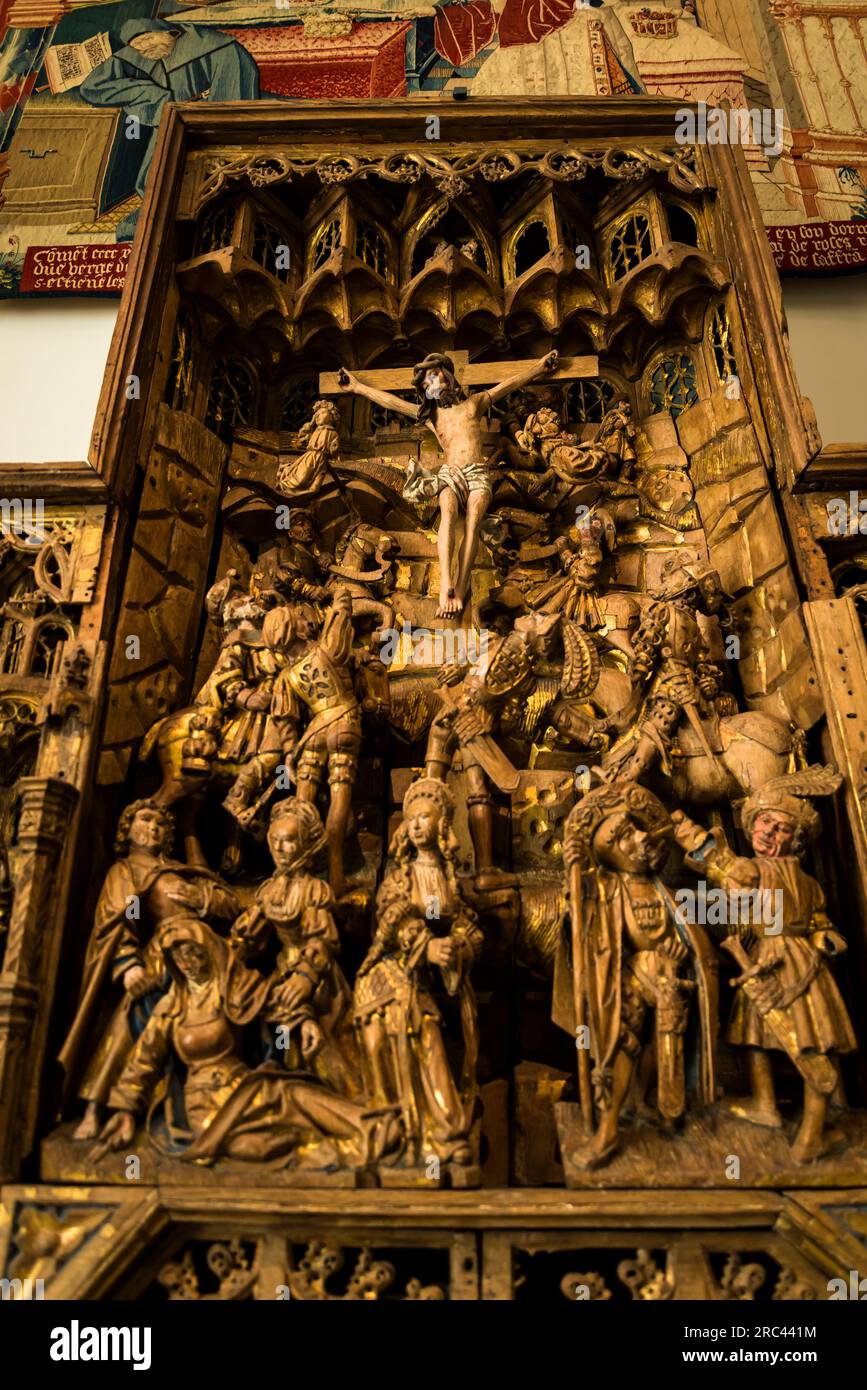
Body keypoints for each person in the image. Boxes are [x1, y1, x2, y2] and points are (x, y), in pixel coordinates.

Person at [94, 918, 402, 1169]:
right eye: (178, 955)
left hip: (246, 1085)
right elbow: (143, 1062)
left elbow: (276, 1004)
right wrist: (125, 1111)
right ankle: (332, 1149)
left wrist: (305, 1021)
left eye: (192, 951)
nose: (186, 961)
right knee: (255, 1148)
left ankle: (372, 1129)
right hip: (205, 1105)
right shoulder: (171, 1008)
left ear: (209, 949)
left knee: (294, 1092)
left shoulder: (236, 988)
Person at [673, 766, 857, 1163]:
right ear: (752, 825)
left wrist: (826, 937)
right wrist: (690, 835)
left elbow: (818, 921)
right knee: (753, 1037)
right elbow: (719, 865)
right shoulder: (751, 869)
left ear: (798, 840)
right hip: (764, 960)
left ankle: (814, 1127)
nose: (770, 833)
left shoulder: (808, 883)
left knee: (812, 1041)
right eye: (765, 823)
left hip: (803, 968)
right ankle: (765, 1104)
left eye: (782, 829)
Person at [553, 781, 717, 1169]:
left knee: (665, 1046)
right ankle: (609, 1128)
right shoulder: (605, 887)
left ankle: (656, 1107)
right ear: (607, 853)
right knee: (621, 1040)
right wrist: (573, 870)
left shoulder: (665, 892)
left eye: (636, 830)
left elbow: (689, 936)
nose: (639, 839)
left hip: (670, 980)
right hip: (624, 976)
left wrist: (682, 950)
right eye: (623, 836)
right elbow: (581, 926)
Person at [61, 800, 240, 1140]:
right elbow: (121, 916)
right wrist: (128, 962)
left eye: (161, 823)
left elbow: (230, 903)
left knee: (231, 1013)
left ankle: (220, 1105)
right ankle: (100, 1106)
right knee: (134, 1022)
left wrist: (201, 898)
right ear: (126, 829)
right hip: (165, 954)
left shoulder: (182, 870)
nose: (154, 827)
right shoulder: (126, 871)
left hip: (209, 952)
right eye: (145, 820)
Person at [338, 351, 558, 616]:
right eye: (425, 385)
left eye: (433, 377)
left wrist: (538, 367)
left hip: (477, 473)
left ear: (447, 375)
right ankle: (446, 584)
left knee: (474, 521)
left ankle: (461, 587)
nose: (431, 386)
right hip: (451, 474)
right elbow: (392, 403)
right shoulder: (432, 416)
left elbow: (507, 385)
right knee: (449, 514)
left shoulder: (473, 405)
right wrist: (358, 387)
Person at [354, 779, 482, 1165]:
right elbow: (390, 921)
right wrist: (426, 946)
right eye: (410, 819)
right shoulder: (399, 877)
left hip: (427, 979)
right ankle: (437, 1132)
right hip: (388, 974)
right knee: (421, 1034)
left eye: (424, 817)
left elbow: (468, 926)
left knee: (431, 1031)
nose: (416, 825)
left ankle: (442, 1133)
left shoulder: (450, 880)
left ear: (442, 825)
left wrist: (457, 946)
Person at [80, 19, 259, 241]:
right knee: (153, 179)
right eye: (137, 46)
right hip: (169, 122)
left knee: (208, 175)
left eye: (146, 39)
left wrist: (201, 117)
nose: (143, 48)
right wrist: (149, 94)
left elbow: (233, 96)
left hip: (207, 121)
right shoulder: (136, 54)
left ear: (168, 32)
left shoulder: (218, 46)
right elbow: (92, 87)